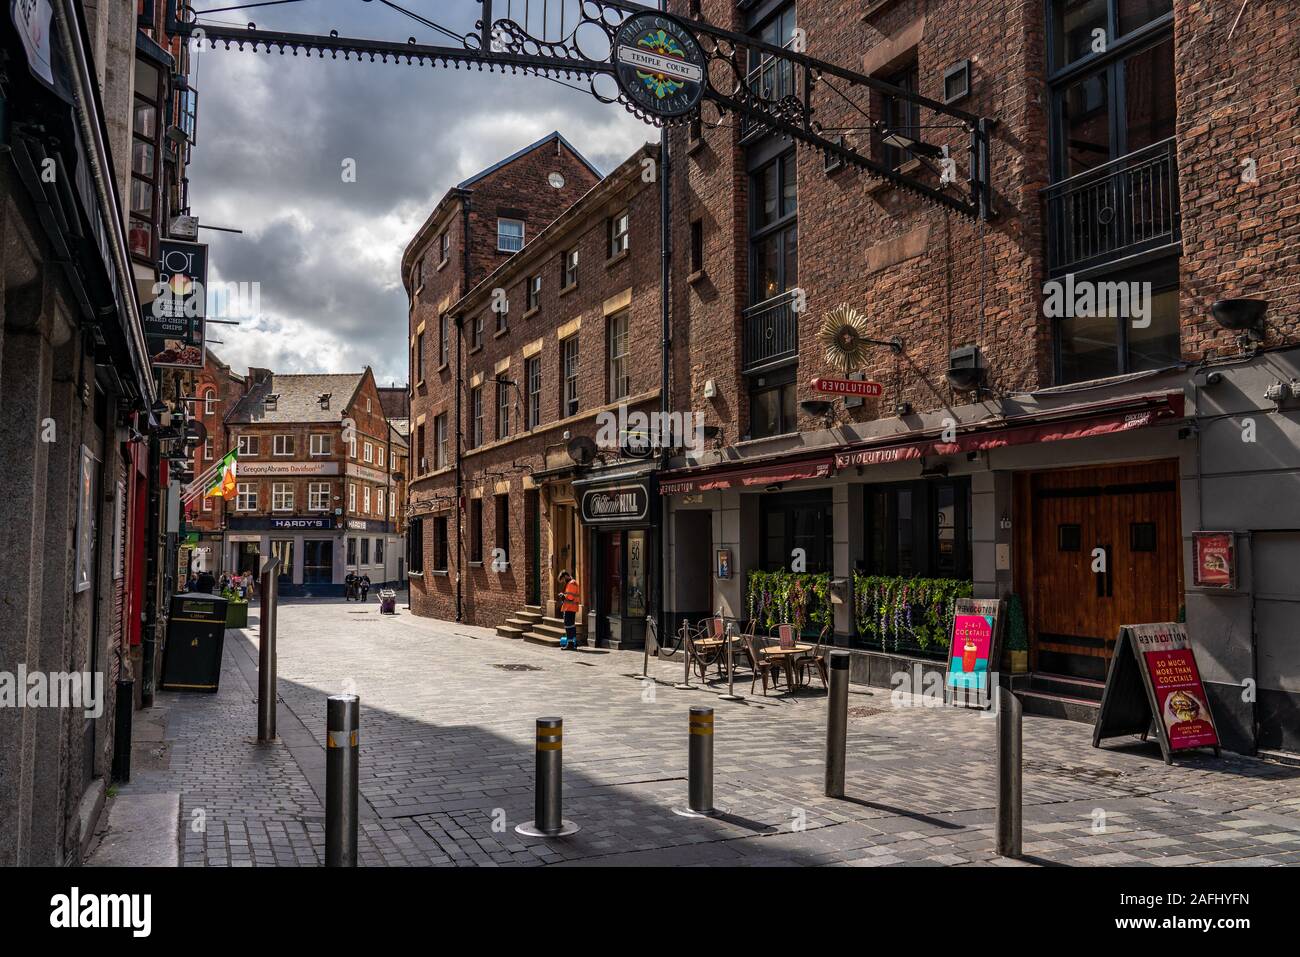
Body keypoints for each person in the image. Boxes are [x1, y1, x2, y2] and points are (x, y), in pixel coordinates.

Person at [558, 570, 580, 650]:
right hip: (571, 607)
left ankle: (570, 644)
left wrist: (563, 596)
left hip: (570, 608)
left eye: (563, 579)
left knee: (568, 626)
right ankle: (573, 642)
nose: (563, 581)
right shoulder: (572, 583)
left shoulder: (571, 583)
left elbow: (570, 597)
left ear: (565, 576)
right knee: (571, 625)